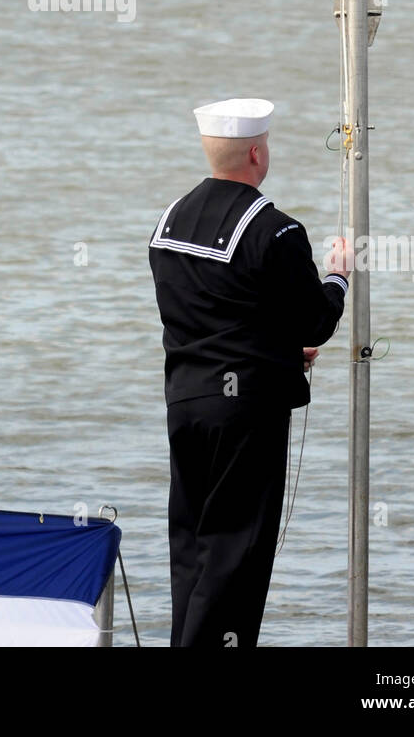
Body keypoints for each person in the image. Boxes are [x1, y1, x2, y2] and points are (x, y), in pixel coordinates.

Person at [149, 97, 350, 648]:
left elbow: (206, 312)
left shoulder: (168, 220)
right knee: (237, 546)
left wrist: (277, 350)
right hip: (244, 412)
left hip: (185, 404)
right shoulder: (276, 230)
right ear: (257, 153)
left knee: (191, 543)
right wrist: (338, 280)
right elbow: (314, 319)